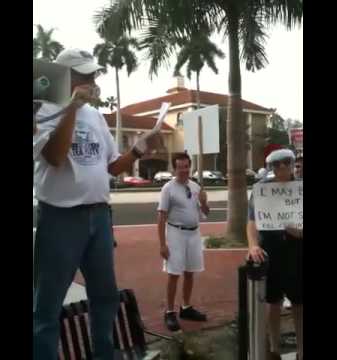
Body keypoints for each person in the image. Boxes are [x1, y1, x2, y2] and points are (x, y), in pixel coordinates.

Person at [33, 48, 162, 360]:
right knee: (47, 305)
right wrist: (72, 108)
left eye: (93, 75)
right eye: (84, 75)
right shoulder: (42, 109)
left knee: (104, 296)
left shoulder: (95, 116)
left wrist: (138, 151)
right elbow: (55, 156)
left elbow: (110, 166)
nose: (92, 80)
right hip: (60, 219)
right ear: (64, 76)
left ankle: (104, 354)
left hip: (99, 216)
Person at [246, 149, 303, 360]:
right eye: (276, 164)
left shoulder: (300, 189)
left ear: (291, 164)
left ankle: (301, 350)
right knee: (273, 301)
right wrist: (253, 245)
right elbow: (251, 223)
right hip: (270, 249)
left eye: (286, 163)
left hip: (296, 250)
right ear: (271, 167)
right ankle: (274, 349)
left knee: (299, 302)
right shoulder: (261, 190)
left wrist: (295, 230)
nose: (281, 168)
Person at [157, 153, 210, 331]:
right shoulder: (168, 188)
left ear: (190, 166)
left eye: (186, 166)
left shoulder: (196, 187)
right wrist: (162, 244)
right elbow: (161, 217)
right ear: (174, 168)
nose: (184, 170)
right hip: (175, 234)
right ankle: (170, 312)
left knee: (190, 272)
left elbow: (206, 213)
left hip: (194, 234)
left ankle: (186, 307)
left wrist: (204, 203)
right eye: (180, 167)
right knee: (174, 274)